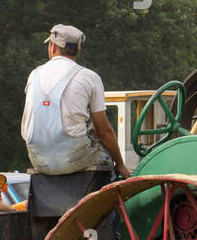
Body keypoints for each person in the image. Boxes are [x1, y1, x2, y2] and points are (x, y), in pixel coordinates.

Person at [21, 25, 130, 178]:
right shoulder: (90, 77)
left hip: (39, 160)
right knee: (107, 161)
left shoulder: (33, 75)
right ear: (78, 50)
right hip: (76, 158)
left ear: (52, 47)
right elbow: (104, 131)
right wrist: (120, 164)